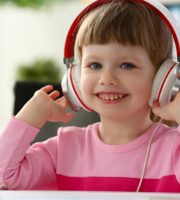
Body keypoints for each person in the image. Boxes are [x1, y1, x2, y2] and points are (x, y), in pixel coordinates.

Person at [0, 0, 180, 192]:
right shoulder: (65, 149)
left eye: (127, 65)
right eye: (95, 65)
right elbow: (5, 178)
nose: (107, 79)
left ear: (163, 79)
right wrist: (31, 116)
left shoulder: (173, 148)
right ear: (75, 77)